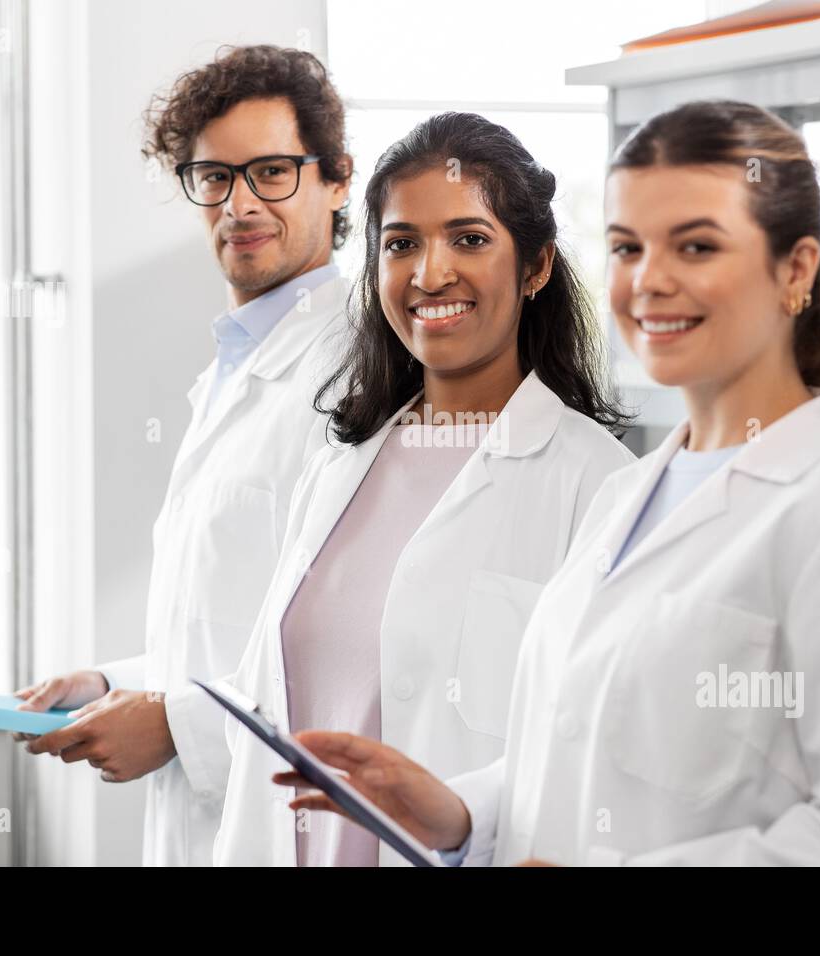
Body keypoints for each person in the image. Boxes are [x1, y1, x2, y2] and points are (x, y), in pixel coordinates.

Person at [275, 101, 820, 866]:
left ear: (794, 269)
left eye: (696, 246)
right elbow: (571, 751)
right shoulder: (630, 499)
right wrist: (461, 812)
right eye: (629, 248)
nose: (651, 281)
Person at [211, 112, 635, 866]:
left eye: (469, 239)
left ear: (535, 267)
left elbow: (607, 757)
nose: (430, 273)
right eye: (401, 244)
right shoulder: (337, 465)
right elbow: (265, 709)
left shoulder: (600, 487)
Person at [16, 46, 353, 866]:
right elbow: (230, 621)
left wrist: (174, 724)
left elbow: (348, 645)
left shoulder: (356, 373)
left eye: (272, 171)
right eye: (213, 177)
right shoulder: (233, 368)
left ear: (337, 178)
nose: (239, 203)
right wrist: (114, 684)